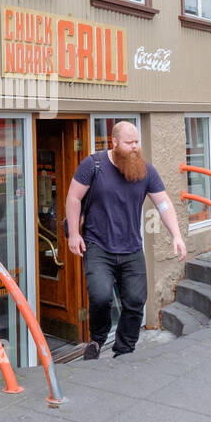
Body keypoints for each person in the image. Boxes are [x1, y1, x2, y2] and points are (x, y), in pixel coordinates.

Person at [65, 121, 186, 359]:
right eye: (130, 143)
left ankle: (124, 349)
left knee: (135, 301)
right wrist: (74, 233)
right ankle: (98, 340)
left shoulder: (145, 170)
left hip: (131, 248)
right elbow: (73, 197)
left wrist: (176, 235)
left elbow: (163, 203)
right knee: (100, 296)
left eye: (137, 142)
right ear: (114, 142)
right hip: (98, 246)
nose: (135, 147)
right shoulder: (93, 164)